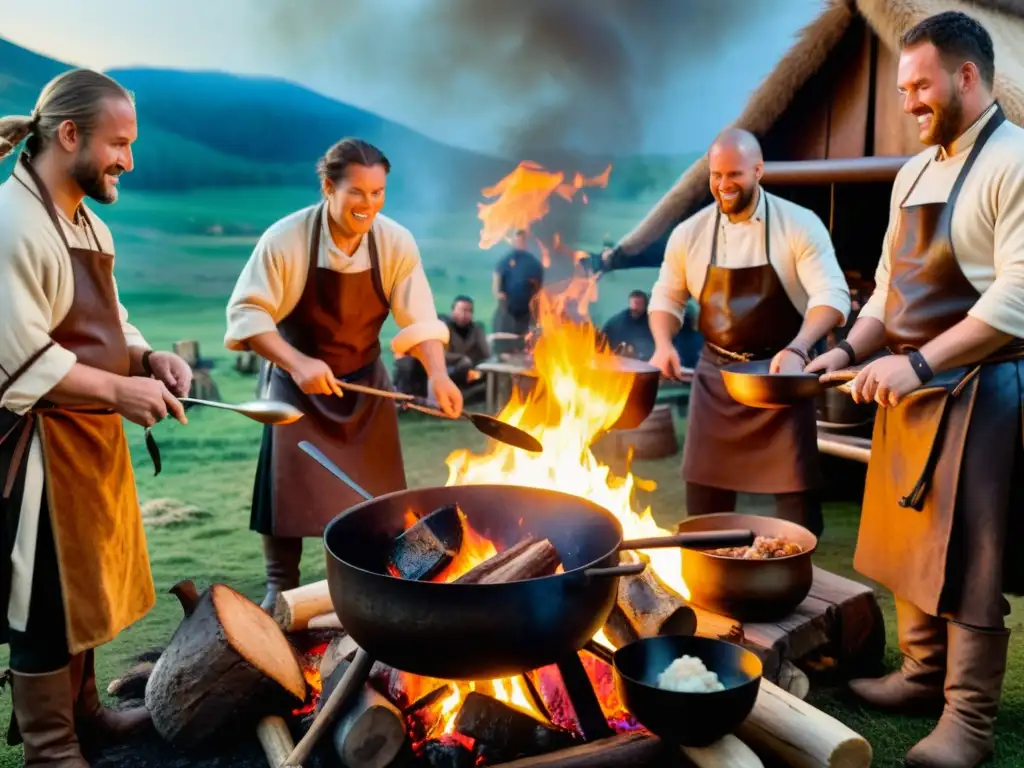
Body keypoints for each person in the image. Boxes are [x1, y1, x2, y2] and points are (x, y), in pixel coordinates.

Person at [806, 13, 1024, 766]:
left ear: (967, 77)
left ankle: (968, 720)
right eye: (901, 88)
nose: (907, 103)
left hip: (981, 394)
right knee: (907, 545)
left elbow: (1017, 298)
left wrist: (921, 363)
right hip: (912, 392)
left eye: (920, 86)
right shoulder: (913, 172)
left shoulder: (1017, 161)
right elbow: (885, 302)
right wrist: (837, 350)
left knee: (968, 557)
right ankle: (923, 677)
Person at [0, 69, 193, 764]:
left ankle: (85, 717)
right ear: (71, 134)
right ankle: (52, 749)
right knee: (45, 599)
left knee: (84, 588)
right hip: (33, 448)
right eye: (119, 143)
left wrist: (145, 361)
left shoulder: (89, 222)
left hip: (88, 442)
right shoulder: (12, 224)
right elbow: (16, 360)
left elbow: (110, 323)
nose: (128, 161)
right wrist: (118, 393)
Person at [224, 138, 461, 611]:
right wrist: (298, 363)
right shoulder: (286, 238)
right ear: (329, 187)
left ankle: (377, 580)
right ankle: (280, 586)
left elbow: (419, 318)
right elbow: (248, 315)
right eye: (357, 192)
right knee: (284, 495)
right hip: (295, 385)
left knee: (380, 500)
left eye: (378, 193)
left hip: (364, 385)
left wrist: (437, 373)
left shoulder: (394, 240)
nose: (368, 204)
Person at [649, 128, 850, 536]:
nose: (724, 185)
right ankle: (709, 576)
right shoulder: (688, 234)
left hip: (781, 375)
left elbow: (832, 295)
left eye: (735, 174)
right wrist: (663, 343)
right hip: (716, 377)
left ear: (758, 170)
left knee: (797, 504)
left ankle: (805, 582)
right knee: (703, 501)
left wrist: (798, 347)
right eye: (716, 175)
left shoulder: (798, 224)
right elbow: (666, 299)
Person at [395, 295, 490, 397]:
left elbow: (486, 354)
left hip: (464, 371)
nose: (464, 314)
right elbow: (437, 354)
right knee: (408, 362)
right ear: (453, 311)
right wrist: (460, 358)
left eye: (468, 311)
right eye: (461, 310)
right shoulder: (442, 326)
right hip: (440, 367)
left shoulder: (476, 330)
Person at [492, 229, 544, 341]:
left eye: (523, 240)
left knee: (532, 335)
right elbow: (497, 276)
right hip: (508, 308)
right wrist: (498, 293)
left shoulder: (534, 263)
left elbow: (539, 286)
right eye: (517, 240)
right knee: (505, 336)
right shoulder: (506, 261)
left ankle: (533, 349)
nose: (520, 243)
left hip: (528, 309)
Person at [601, 290, 657, 361]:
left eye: (638, 304)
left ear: (645, 305)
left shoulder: (653, 321)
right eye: (633, 304)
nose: (635, 308)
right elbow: (603, 339)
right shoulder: (616, 323)